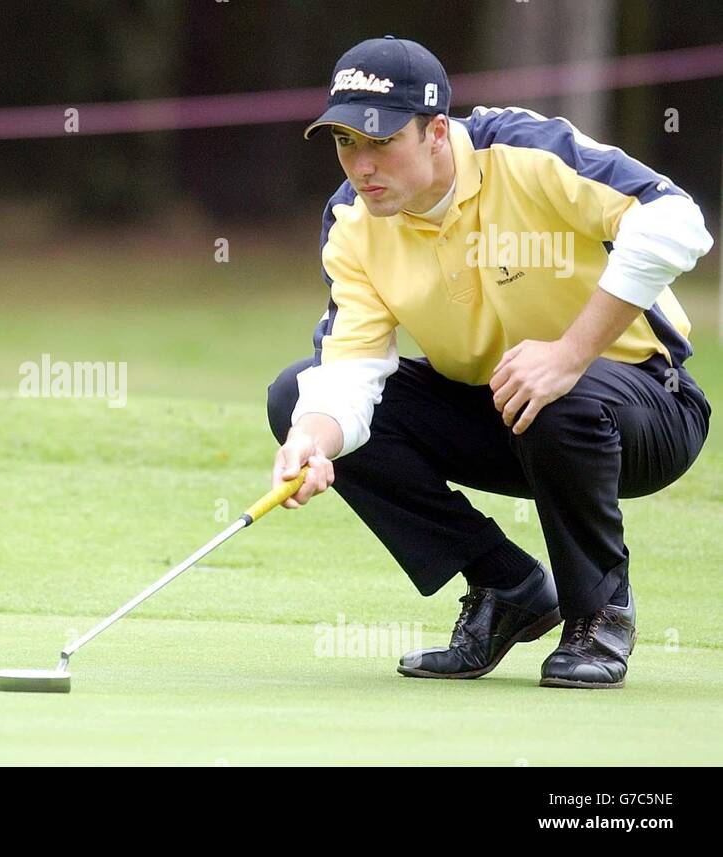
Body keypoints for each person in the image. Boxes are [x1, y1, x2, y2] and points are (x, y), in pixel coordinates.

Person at [267, 35, 713, 689]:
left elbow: (678, 220)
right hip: (501, 413)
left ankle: (600, 616)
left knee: (563, 394)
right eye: (345, 143)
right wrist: (313, 440)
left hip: (645, 408)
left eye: (381, 141)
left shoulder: (527, 151)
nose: (362, 166)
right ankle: (508, 586)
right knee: (294, 396)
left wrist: (569, 352)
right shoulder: (353, 220)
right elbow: (351, 367)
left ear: (437, 131)